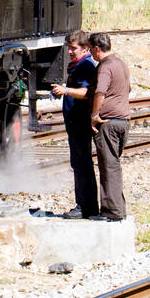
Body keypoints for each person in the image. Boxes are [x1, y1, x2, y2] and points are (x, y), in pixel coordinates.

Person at [50, 31, 99, 219]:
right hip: (75, 121)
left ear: (85, 48)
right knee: (79, 163)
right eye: (68, 47)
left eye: (74, 48)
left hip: (80, 121)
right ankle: (86, 205)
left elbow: (87, 92)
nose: (70, 51)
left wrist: (66, 90)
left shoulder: (85, 65)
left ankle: (85, 206)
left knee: (82, 163)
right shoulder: (78, 64)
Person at [88, 32, 131, 222]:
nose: (90, 53)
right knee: (113, 164)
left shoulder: (105, 67)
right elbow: (127, 89)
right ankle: (117, 208)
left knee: (109, 167)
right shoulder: (121, 64)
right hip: (123, 122)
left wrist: (94, 115)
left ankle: (112, 212)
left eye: (90, 49)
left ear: (97, 49)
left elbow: (100, 92)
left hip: (108, 123)